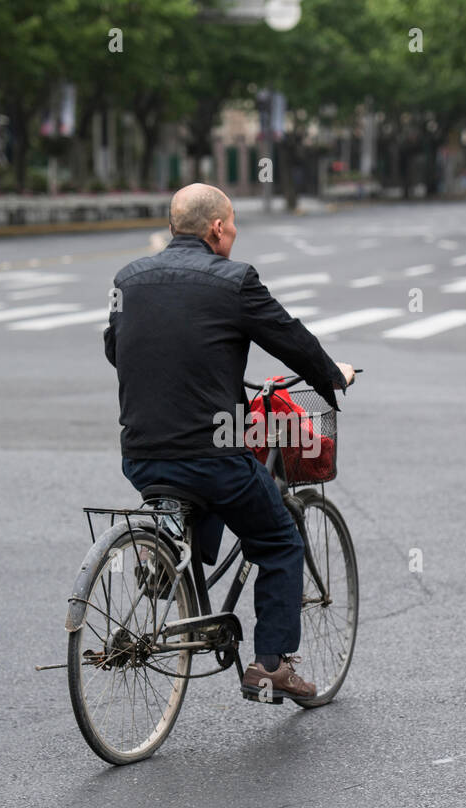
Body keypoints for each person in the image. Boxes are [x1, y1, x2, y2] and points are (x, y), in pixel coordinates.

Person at [104, 183, 354, 703]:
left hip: (141, 455)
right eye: (233, 223)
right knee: (281, 539)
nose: (235, 233)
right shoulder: (234, 281)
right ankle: (271, 666)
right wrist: (334, 377)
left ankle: (172, 561)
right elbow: (290, 338)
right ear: (217, 227)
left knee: (208, 493)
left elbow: (118, 348)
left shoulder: (127, 278)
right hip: (210, 456)